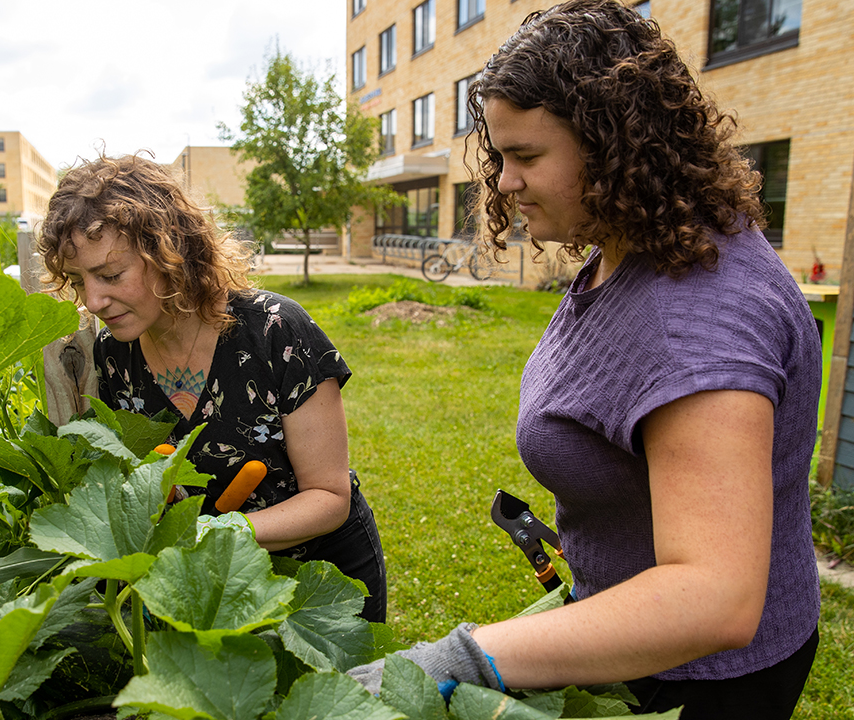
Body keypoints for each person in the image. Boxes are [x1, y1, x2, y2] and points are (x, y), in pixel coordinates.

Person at [348, 1, 821, 717]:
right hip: (634, 640)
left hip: (699, 682)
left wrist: (465, 658)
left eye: (527, 156)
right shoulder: (642, 242)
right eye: (500, 155)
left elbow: (714, 598)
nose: (504, 182)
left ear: (616, 144)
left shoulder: (695, 320)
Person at [36, 153, 387, 623]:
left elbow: (328, 498)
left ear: (170, 253)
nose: (94, 300)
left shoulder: (275, 332)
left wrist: (213, 534)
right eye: (80, 280)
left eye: (111, 274)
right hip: (214, 584)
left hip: (320, 581)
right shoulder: (113, 354)